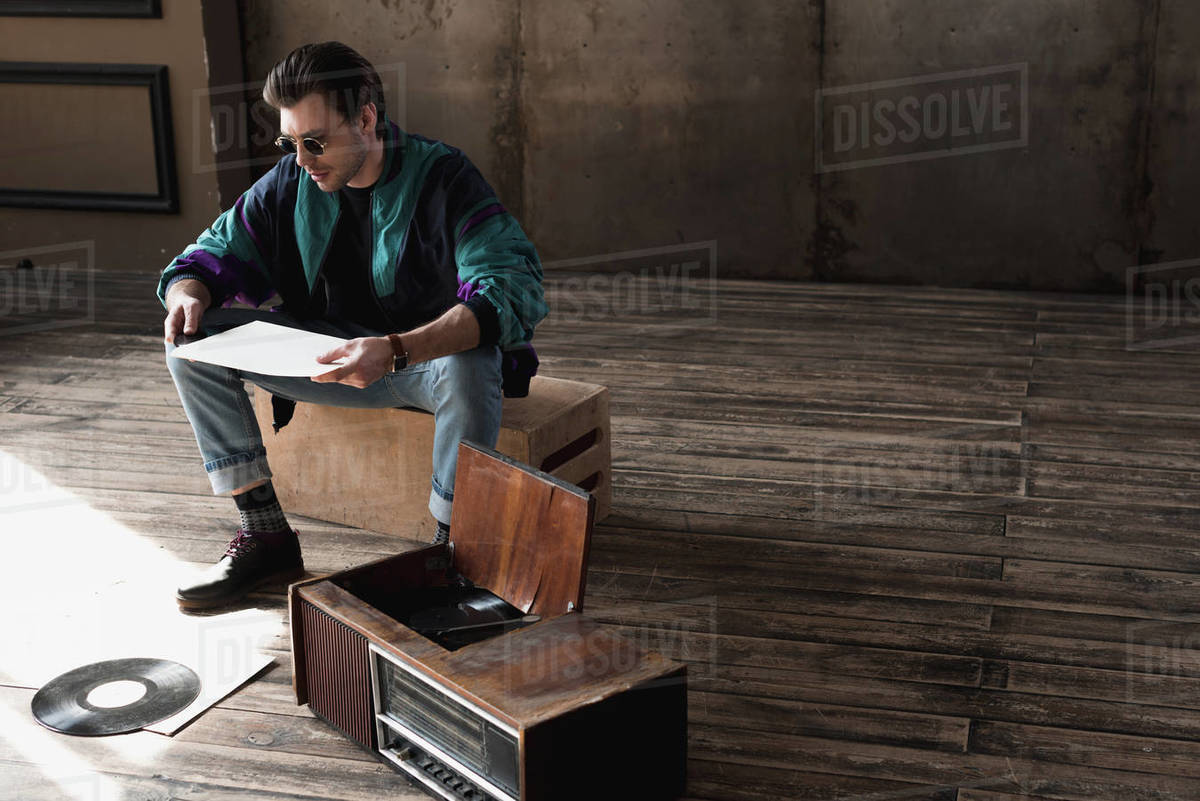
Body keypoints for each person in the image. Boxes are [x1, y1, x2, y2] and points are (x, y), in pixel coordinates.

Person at [158, 41, 546, 611]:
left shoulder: (444, 178)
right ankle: (265, 533)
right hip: (319, 362)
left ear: (366, 119)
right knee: (187, 339)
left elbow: (512, 288)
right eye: (290, 143)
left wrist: (395, 350)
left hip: (418, 367)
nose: (301, 159)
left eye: (315, 142)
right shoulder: (291, 181)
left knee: (472, 360)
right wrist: (187, 291)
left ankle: (450, 555)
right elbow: (207, 255)